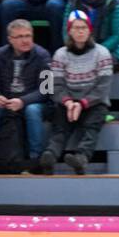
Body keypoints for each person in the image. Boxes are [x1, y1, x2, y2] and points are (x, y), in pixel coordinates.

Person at [39, 11, 113, 176]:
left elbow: (103, 87)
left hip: (94, 103)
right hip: (68, 102)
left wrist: (83, 103)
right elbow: (54, 85)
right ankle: (50, 156)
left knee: (91, 127)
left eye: (84, 28)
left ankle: (81, 157)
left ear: (89, 31)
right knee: (60, 127)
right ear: (70, 32)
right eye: (76, 28)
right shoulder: (59, 54)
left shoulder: (102, 53)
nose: (80, 31)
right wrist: (68, 102)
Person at [0, 19, 50, 169]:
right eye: (19, 37)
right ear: (10, 40)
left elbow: (47, 90)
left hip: (37, 103)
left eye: (28, 36)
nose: (25, 40)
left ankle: (36, 159)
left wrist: (23, 101)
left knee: (32, 110)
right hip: (6, 101)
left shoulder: (43, 56)